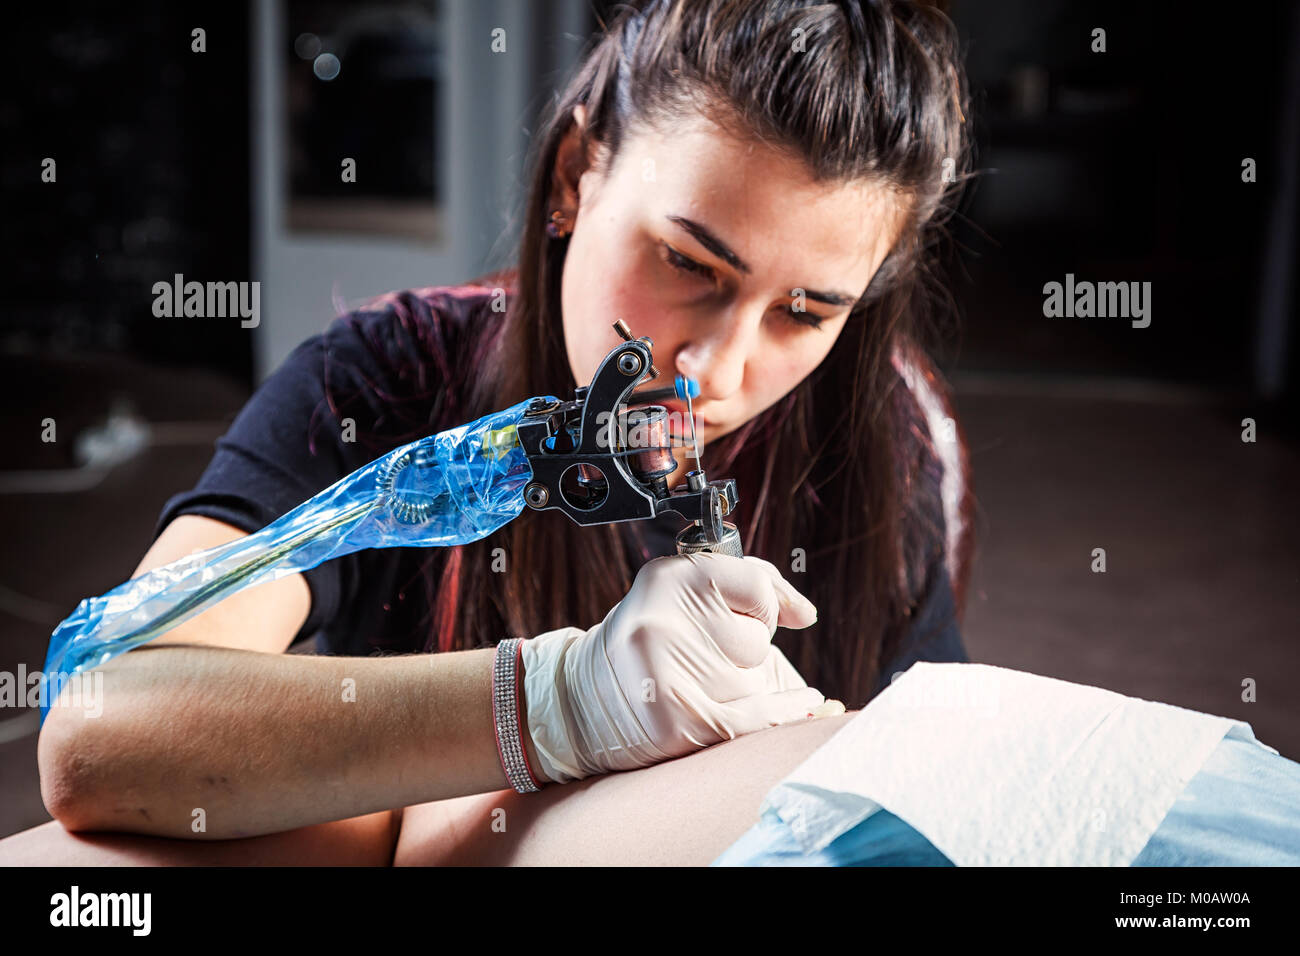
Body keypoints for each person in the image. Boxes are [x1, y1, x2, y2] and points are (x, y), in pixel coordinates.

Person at [31, 0, 974, 846]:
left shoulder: (889, 445)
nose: (713, 372)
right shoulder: (384, 380)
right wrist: (561, 703)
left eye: (805, 313)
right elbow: (107, 722)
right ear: (575, 173)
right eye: (690, 264)